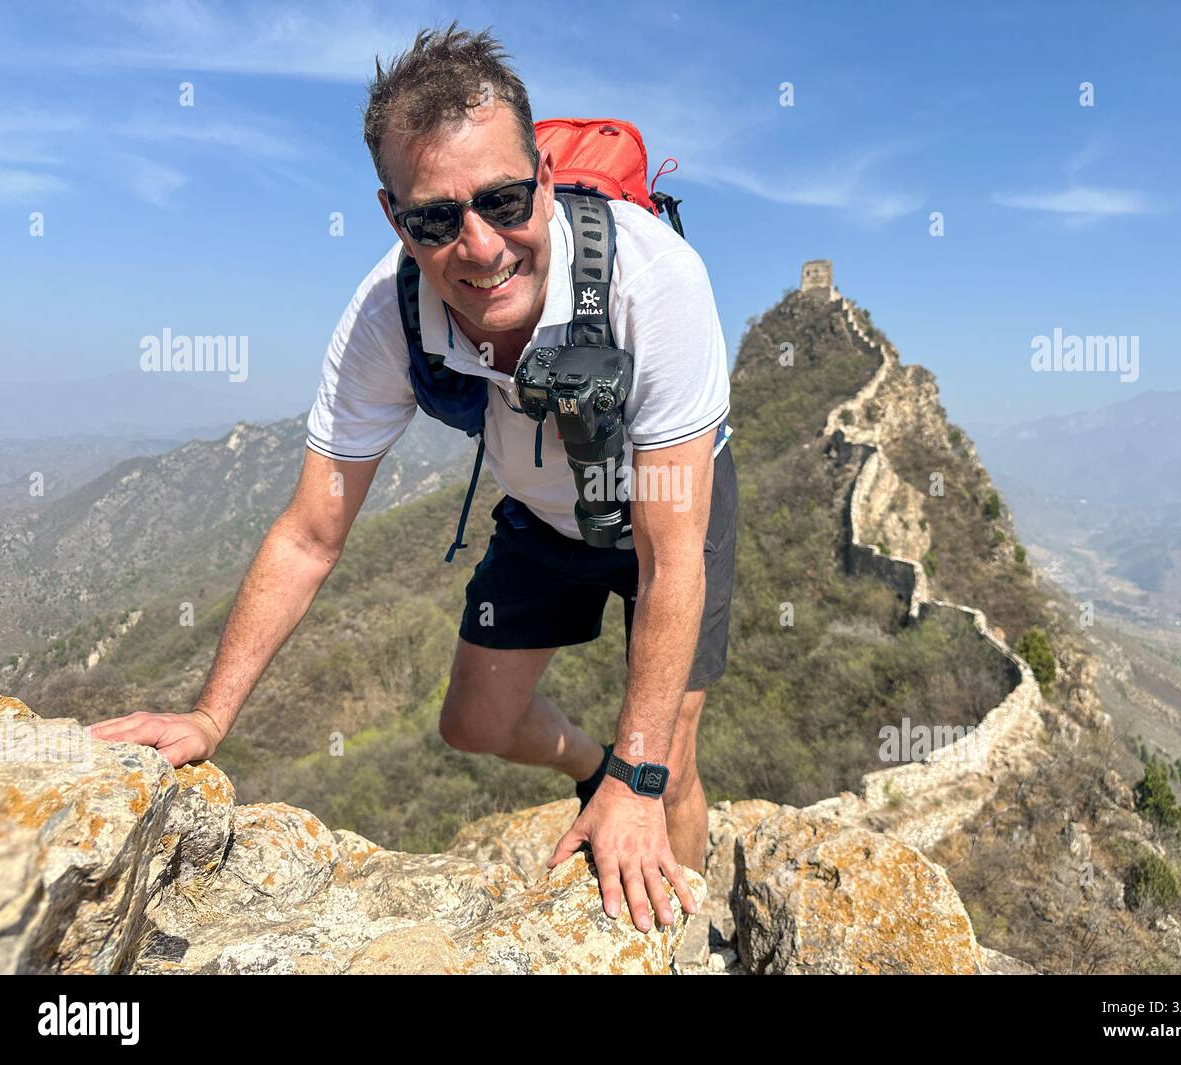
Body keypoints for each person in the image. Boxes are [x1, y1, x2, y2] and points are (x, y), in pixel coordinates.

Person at [90, 21, 736, 937]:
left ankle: (680, 939)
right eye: (435, 218)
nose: (479, 247)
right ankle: (589, 763)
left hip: (667, 515)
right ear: (395, 218)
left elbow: (674, 560)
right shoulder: (386, 314)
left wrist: (639, 779)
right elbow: (311, 533)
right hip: (545, 516)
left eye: (506, 200)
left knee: (671, 758)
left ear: (545, 183)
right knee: (472, 721)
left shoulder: (655, 282)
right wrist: (207, 717)